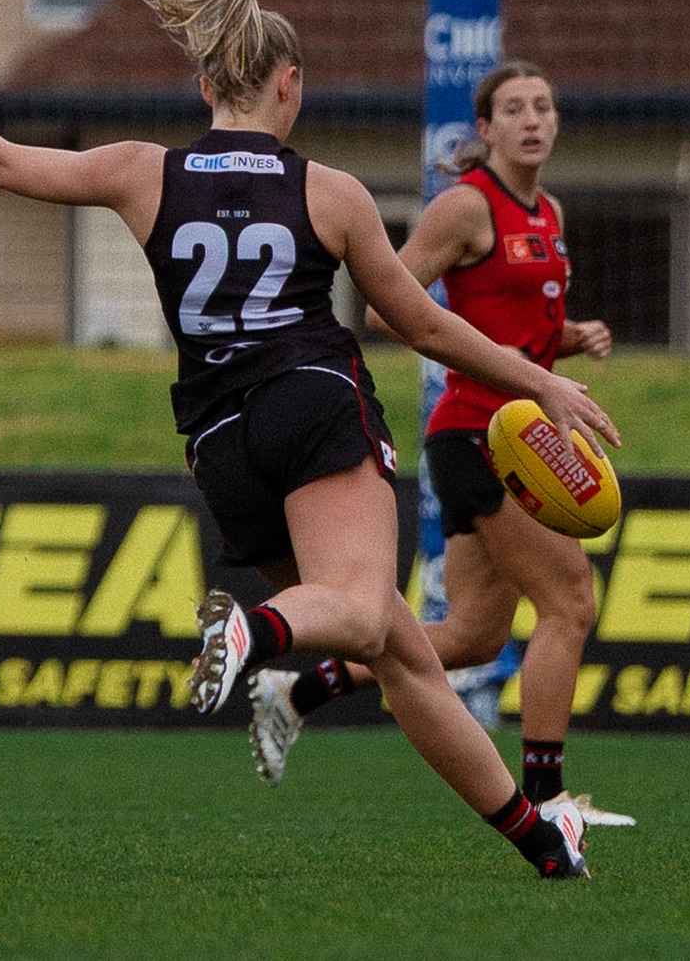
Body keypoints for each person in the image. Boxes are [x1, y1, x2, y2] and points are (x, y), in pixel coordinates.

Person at [0, 0, 618, 879]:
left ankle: (540, 842)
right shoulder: (329, 192)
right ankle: (253, 636)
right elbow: (422, 324)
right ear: (287, 83)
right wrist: (541, 380)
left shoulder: (145, 171)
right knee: (363, 608)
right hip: (311, 405)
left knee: (397, 649)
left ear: (209, 85)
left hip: (218, 441)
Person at [250, 61, 634, 826]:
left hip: (514, 433)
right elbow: (391, 309)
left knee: (470, 635)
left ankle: (296, 690)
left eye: (544, 107)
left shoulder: (548, 210)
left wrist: (563, 340)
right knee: (570, 603)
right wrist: (512, 363)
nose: (533, 120)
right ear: (485, 129)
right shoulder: (466, 207)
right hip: (481, 433)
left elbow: (514, 326)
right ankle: (549, 799)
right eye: (514, 109)